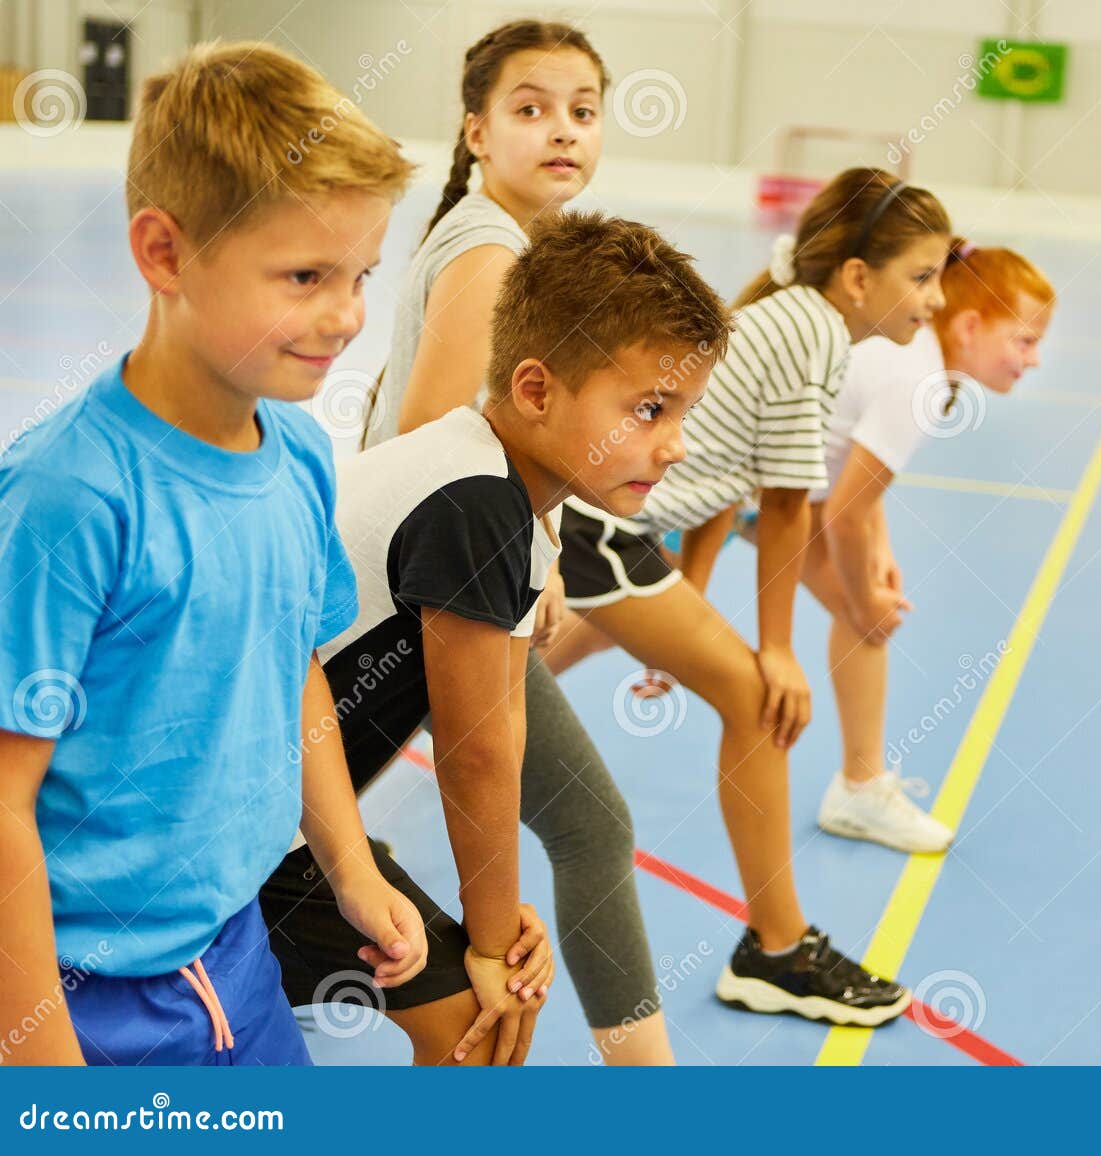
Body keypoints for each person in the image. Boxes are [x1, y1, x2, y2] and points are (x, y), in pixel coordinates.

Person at [0, 41, 426, 1065]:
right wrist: (39, 1050)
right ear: (163, 253)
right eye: (306, 275)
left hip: (234, 955)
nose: (347, 315)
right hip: (82, 994)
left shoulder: (298, 455)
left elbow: (296, 668)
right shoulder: (70, 497)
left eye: (361, 274)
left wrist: (350, 862)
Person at [262, 209, 733, 1064]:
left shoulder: (503, 496)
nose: (676, 445)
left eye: (684, 411)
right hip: (251, 831)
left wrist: (500, 917)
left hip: (284, 815)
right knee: (475, 1034)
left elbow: (503, 724)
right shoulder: (474, 503)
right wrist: (488, 945)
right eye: (650, 409)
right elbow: (473, 752)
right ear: (536, 389)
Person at [541, 168, 951, 1024]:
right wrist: (779, 650)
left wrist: (686, 596)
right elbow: (787, 497)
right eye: (922, 275)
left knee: (498, 677)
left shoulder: (789, 317)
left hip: (610, 533)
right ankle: (776, 950)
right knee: (761, 700)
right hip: (594, 531)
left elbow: (720, 472)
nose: (937, 299)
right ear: (857, 278)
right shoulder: (814, 337)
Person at [358, 20, 678, 1064]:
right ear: (475, 128)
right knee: (589, 825)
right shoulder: (489, 250)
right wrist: (525, 556)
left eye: (583, 112)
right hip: (429, 591)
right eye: (530, 109)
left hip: (422, 580)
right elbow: (436, 436)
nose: (563, 132)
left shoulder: (490, 233)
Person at [687, 241, 1056, 853]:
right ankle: (860, 789)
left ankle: (861, 786)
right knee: (865, 619)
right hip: (732, 487)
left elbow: (850, 470)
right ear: (969, 326)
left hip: (766, 488)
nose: (1036, 359)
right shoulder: (919, 379)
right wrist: (864, 596)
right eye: (1024, 340)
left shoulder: (914, 353)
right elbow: (843, 512)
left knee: (865, 618)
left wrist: (876, 555)